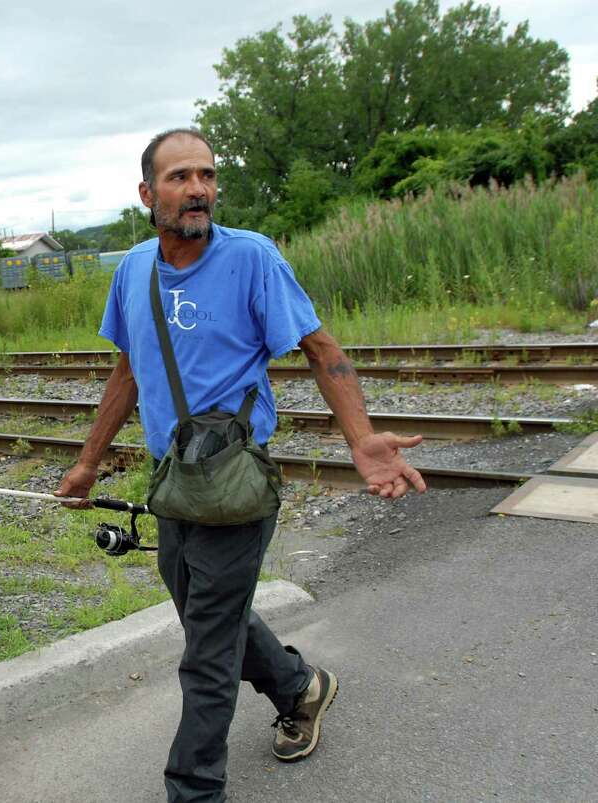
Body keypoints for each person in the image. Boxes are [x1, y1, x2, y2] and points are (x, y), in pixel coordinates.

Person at [55, 128, 427, 803]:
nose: (197, 188)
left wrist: (362, 439)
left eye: (206, 175)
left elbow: (320, 347)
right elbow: (128, 370)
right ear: (148, 193)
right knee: (208, 616)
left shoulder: (252, 258)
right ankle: (298, 686)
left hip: (237, 483)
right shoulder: (133, 269)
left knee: (206, 656)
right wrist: (87, 464)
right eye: (179, 177)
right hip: (174, 483)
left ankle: (193, 790)